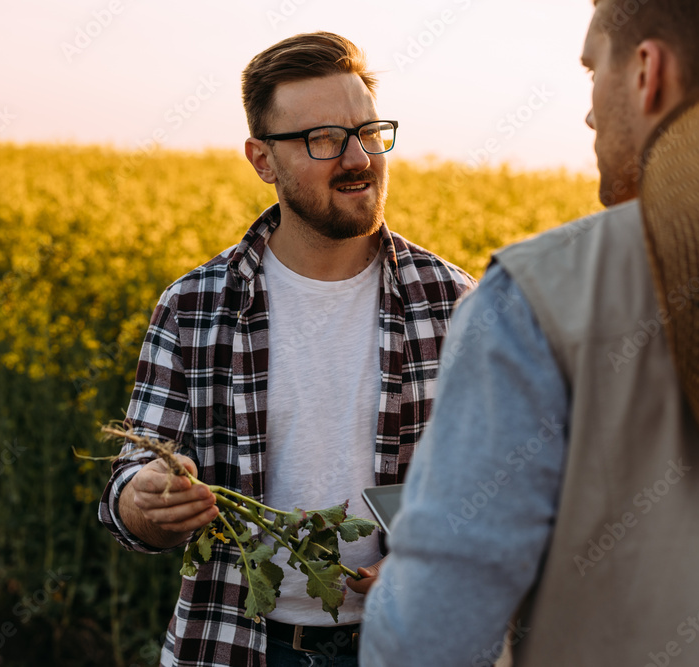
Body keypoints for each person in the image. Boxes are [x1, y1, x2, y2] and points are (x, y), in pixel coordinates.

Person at [97, 32, 475, 667]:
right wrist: (143, 500)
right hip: (237, 642)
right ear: (261, 160)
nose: (358, 158)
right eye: (322, 140)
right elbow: (127, 488)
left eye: (368, 132)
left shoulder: (454, 304)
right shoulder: (194, 306)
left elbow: (499, 493)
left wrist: (432, 569)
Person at [360, 1, 699, 665]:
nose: (587, 112)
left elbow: (428, 641)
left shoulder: (538, 295)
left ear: (648, 74)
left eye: (592, 71)